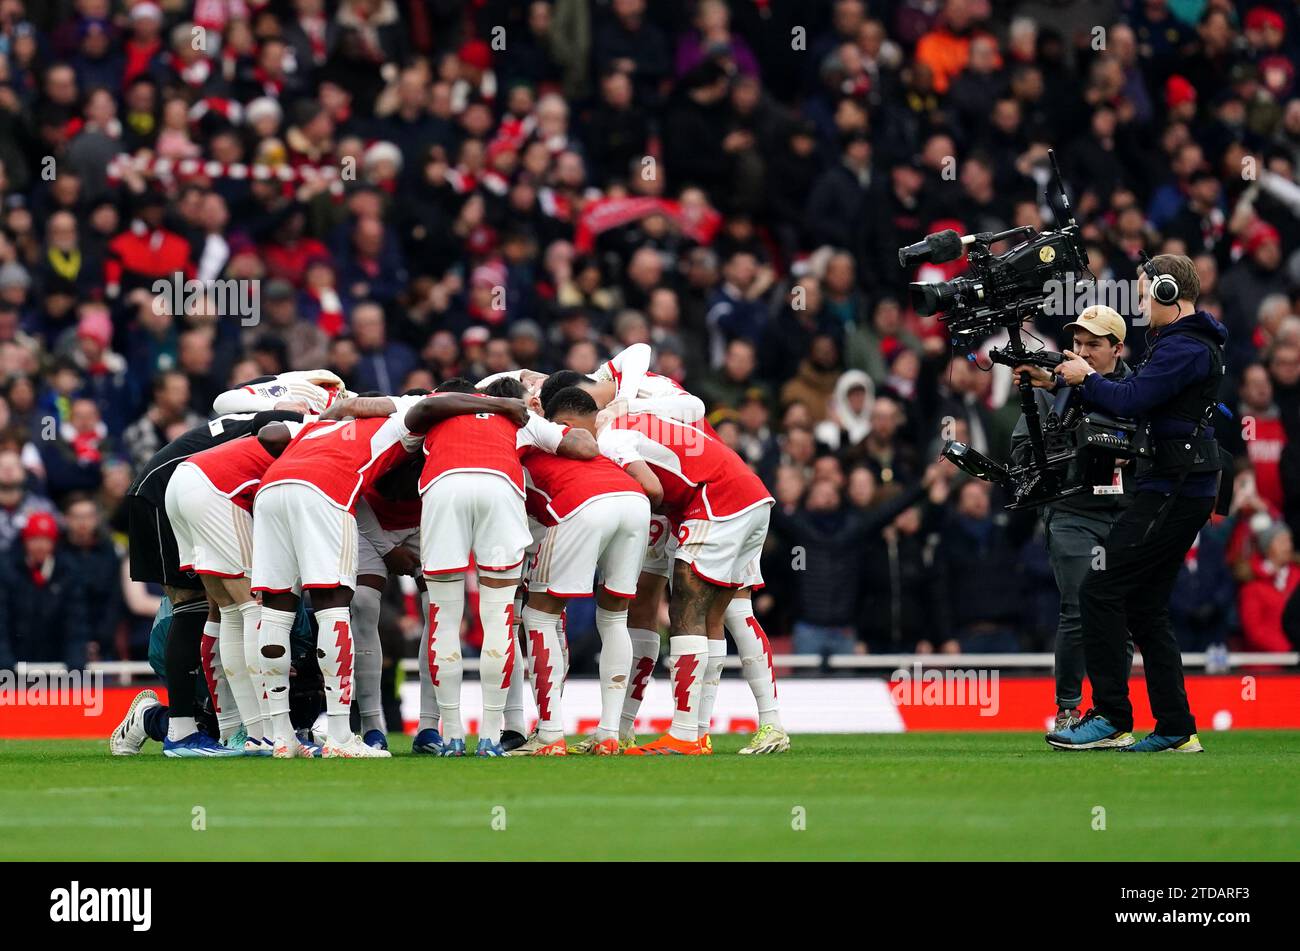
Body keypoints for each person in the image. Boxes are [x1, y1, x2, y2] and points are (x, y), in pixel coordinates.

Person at [1042, 254, 1227, 753]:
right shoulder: (1184, 346)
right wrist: (1063, 379)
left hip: (1173, 487)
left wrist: (1083, 379)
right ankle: (1174, 728)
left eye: (1146, 295)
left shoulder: (1183, 348)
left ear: (1169, 292)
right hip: (1180, 485)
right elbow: (1128, 392)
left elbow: (1129, 401)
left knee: (1100, 590)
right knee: (1145, 608)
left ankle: (1110, 716)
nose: (1142, 305)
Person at [405, 379, 595, 757]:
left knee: (443, 618)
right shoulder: (516, 414)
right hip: (501, 487)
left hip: (444, 486)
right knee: (499, 618)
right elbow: (583, 445)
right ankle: (491, 736)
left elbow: (403, 422)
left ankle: (453, 736)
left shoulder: (435, 409)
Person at [514, 385, 659, 756]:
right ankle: (609, 733)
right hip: (633, 501)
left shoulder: (519, 444)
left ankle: (548, 734)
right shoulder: (582, 444)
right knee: (614, 618)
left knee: (540, 615)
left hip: (584, 505)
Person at [1011, 305, 1136, 732]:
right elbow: (1021, 452)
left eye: (1093, 345)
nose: (1081, 351)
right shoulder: (1052, 390)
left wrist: (1129, 453)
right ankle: (1067, 706)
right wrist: (1059, 458)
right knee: (1079, 605)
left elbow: (1156, 447)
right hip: (1072, 511)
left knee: (1118, 613)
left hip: (1124, 512)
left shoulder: (1137, 391)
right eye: (1078, 343)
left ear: (1117, 349)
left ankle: (1110, 709)